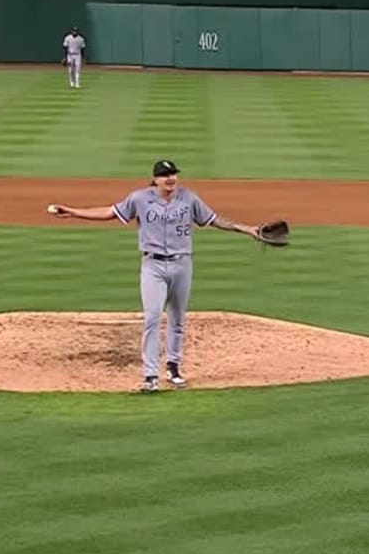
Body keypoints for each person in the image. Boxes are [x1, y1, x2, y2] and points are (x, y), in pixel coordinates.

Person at [46, 160, 265, 392]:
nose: (171, 179)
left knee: (178, 319)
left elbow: (214, 219)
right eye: (165, 175)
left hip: (182, 264)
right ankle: (150, 375)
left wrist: (247, 228)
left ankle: (173, 368)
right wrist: (73, 212)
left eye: (173, 174)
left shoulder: (189, 198)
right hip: (153, 266)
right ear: (156, 179)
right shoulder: (139, 199)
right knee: (151, 319)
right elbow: (110, 212)